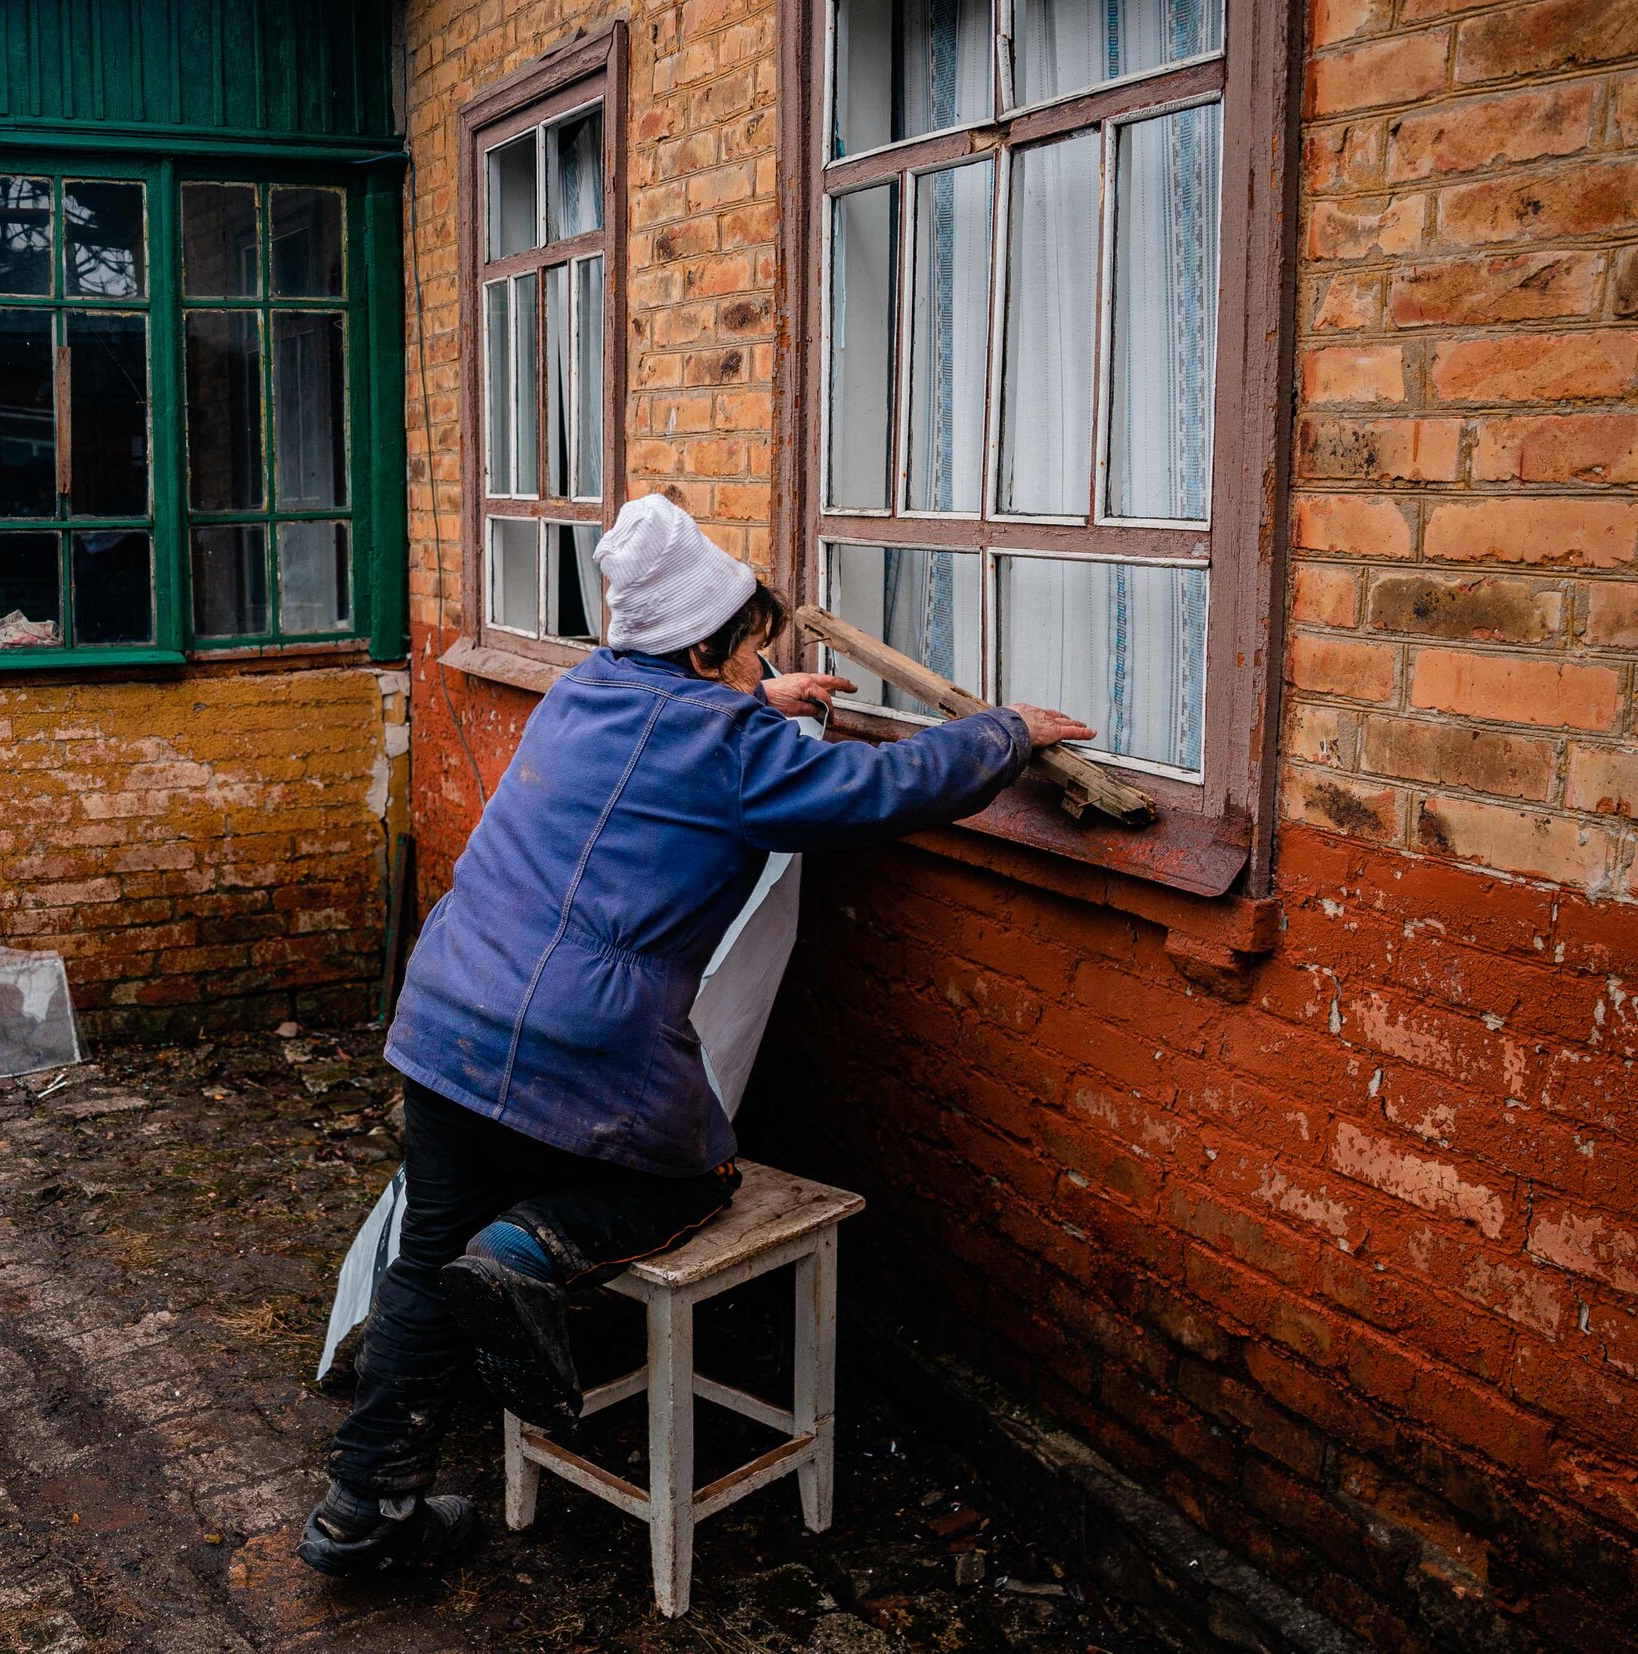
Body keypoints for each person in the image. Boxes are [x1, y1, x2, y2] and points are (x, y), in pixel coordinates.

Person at [297, 495, 1096, 1575]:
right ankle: (527, 1248)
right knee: (697, 1171)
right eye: (745, 651)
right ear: (702, 646)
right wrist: (1005, 730)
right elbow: (881, 782)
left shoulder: (579, 694)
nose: (751, 667)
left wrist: (763, 696)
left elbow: (658, 730)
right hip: (574, 1054)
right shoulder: (729, 748)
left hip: (442, 1020)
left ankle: (361, 1513)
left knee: (421, 1257)